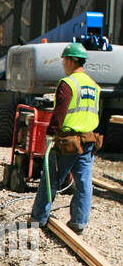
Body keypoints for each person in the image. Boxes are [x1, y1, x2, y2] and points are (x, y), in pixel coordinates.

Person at [31, 42, 101, 235]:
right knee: (84, 182)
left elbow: (60, 111)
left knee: (51, 178)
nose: (63, 64)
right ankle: (79, 222)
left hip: (68, 141)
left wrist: (51, 134)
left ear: (70, 60)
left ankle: (38, 217)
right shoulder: (94, 86)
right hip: (88, 139)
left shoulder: (68, 83)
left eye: (64, 60)